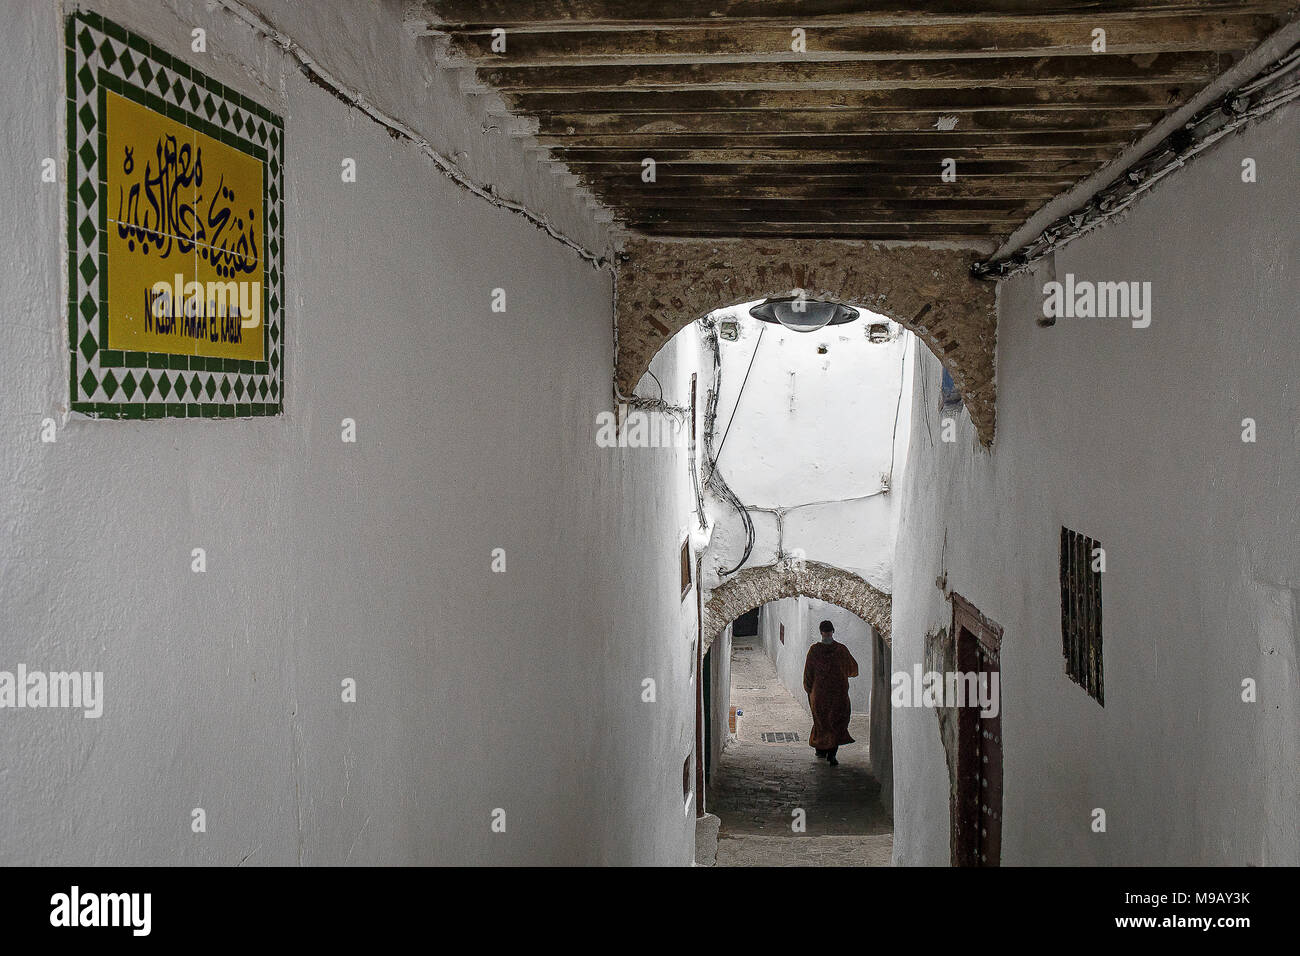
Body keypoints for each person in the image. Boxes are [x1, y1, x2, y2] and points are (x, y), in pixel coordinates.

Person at [803, 620, 859, 766]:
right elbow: (853, 669)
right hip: (837, 694)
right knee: (835, 722)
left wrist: (809, 689)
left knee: (822, 722)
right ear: (832, 631)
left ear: (821, 632)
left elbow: (808, 673)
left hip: (820, 694)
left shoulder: (814, 651)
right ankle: (831, 753)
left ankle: (822, 749)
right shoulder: (841, 650)